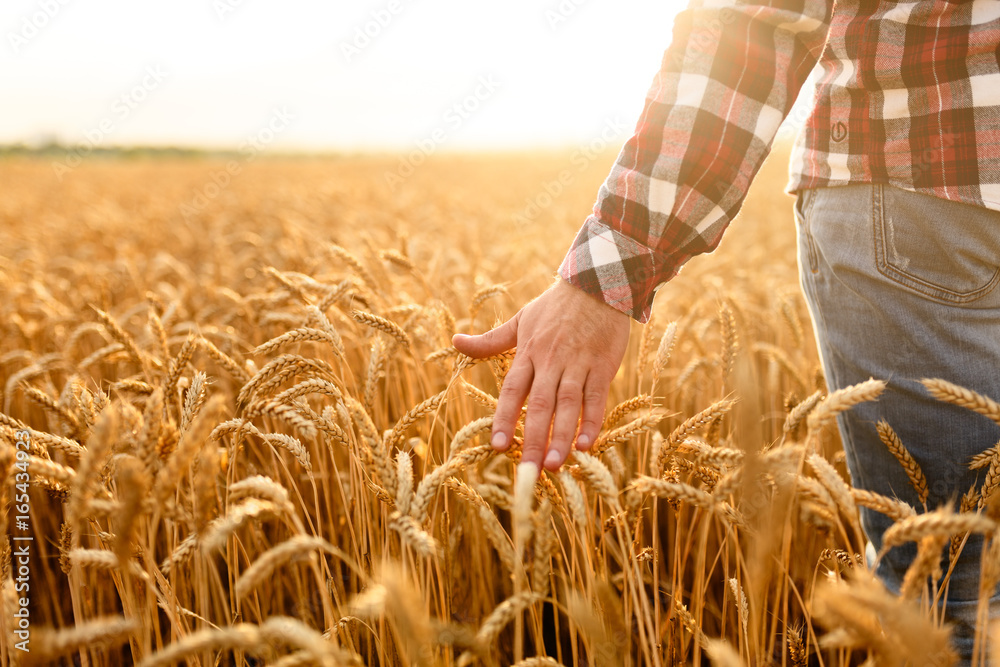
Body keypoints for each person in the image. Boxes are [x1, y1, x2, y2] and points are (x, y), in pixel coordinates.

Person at [452, 0, 1000, 661]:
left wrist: (614, 260)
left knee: (949, 599)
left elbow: (760, 19)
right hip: (931, 205)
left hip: (919, 183)